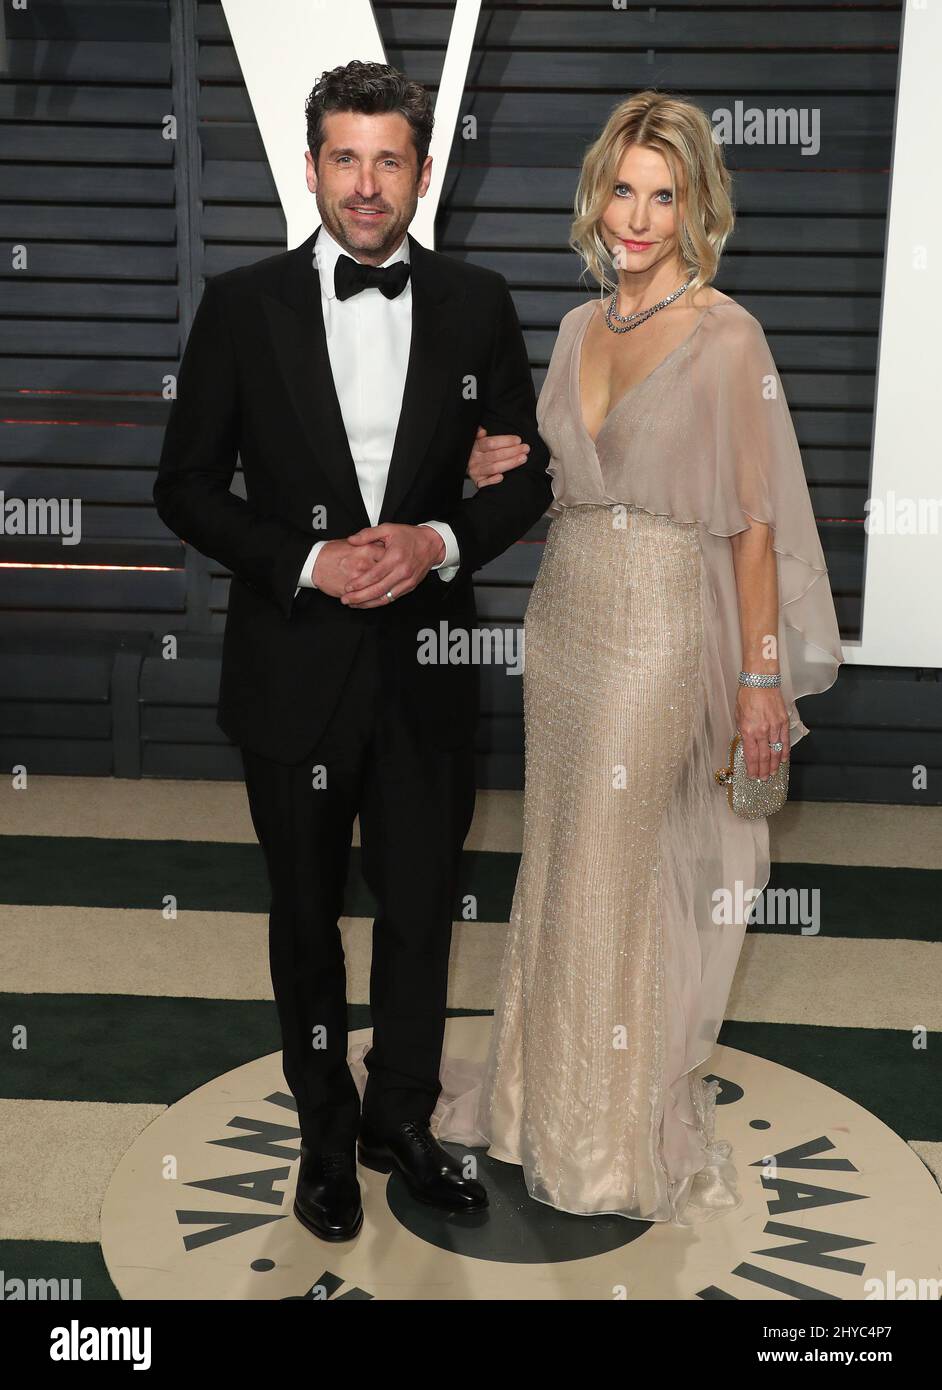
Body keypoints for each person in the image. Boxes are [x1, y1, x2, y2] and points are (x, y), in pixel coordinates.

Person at [427, 90, 844, 1223]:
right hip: (564, 623)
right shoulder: (571, 333)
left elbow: (756, 526)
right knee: (560, 856)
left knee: (616, 861)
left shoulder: (727, 335)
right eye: (624, 188)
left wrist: (760, 679)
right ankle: (528, 1102)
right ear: (598, 195)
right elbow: (558, 481)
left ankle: (603, 1138)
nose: (640, 216)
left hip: (662, 627)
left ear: (697, 205)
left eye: (664, 195)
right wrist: (494, 458)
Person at [153, 60, 553, 1241]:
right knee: (306, 915)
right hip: (293, 669)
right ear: (312, 164)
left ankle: (401, 1122)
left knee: (423, 909)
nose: (367, 184)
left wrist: (435, 538)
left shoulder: (480, 302)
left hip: (426, 671)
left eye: (390, 160)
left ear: (423, 172)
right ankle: (325, 1137)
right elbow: (182, 487)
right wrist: (309, 560)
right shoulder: (241, 304)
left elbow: (522, 475)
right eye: (345, 157)